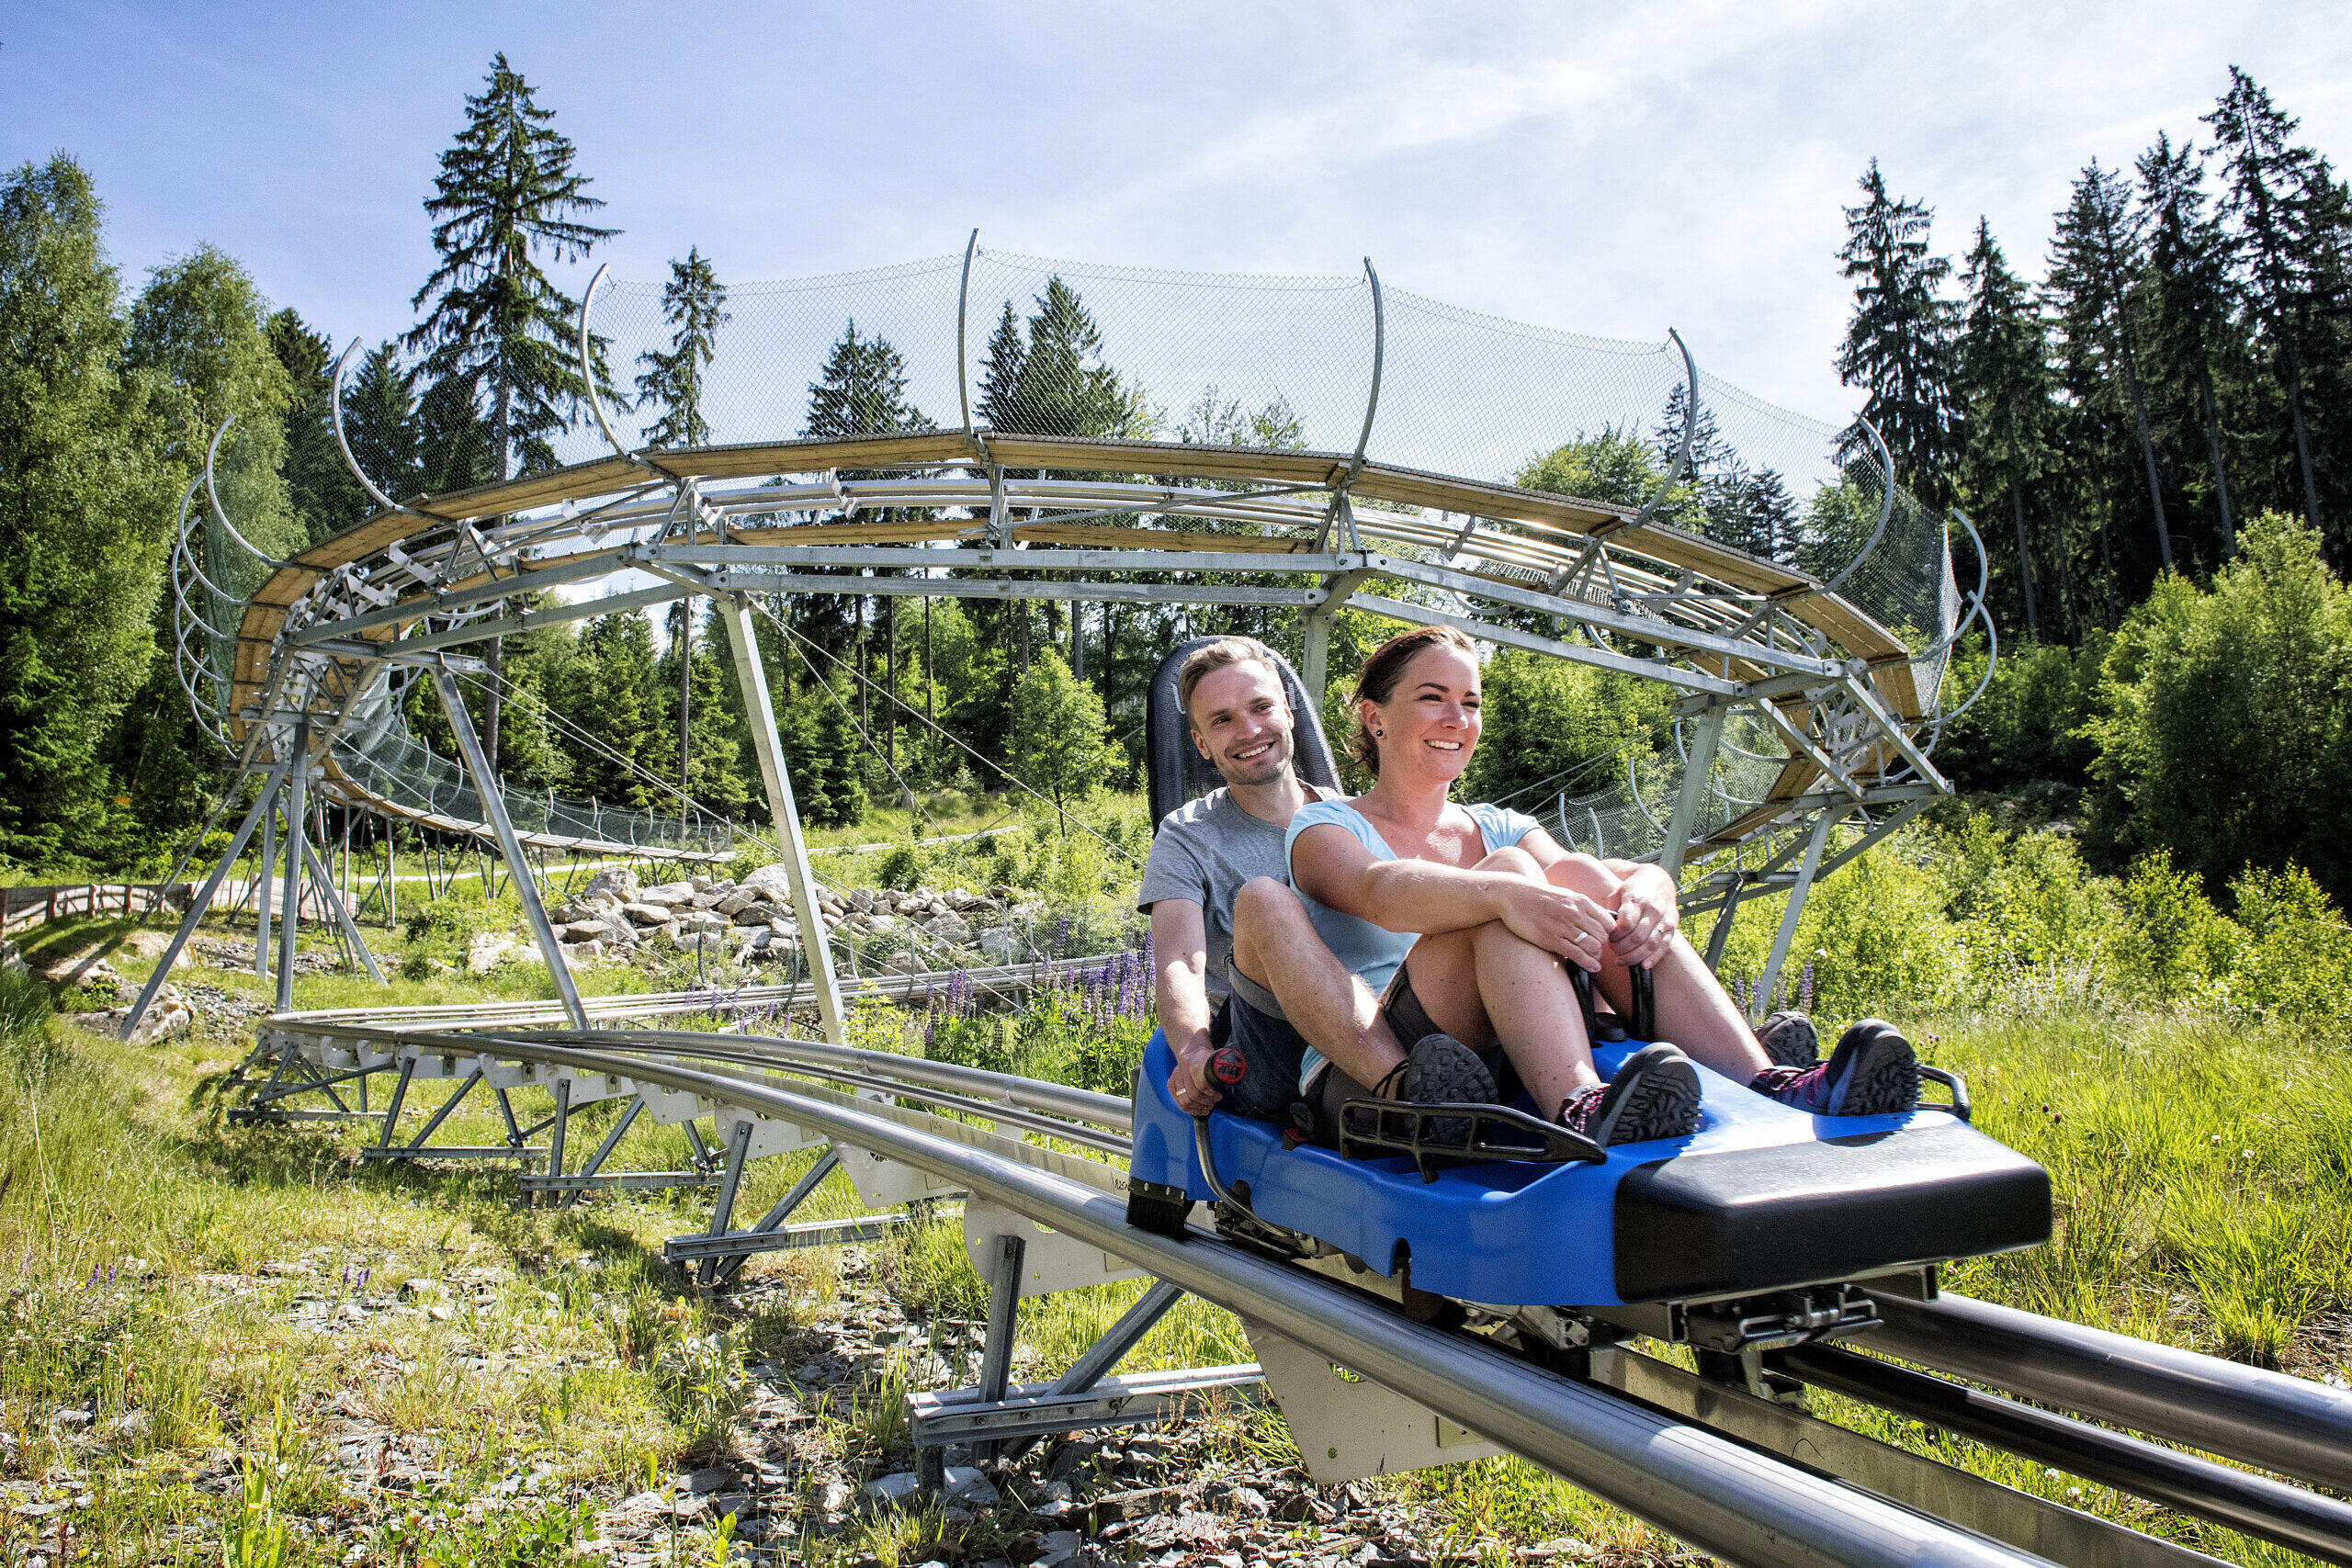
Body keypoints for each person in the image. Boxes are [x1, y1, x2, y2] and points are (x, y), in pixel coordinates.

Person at [1282, 626, 1919, 1146]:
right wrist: (1506, 893)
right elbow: (1379, 891)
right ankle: (1578, 1109)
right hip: (1393, 1060)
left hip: (1509, 1042)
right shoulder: (1324, 825)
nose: (1458, 718)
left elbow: (1590, 879)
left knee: (1577, 874)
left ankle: (1768, 1081)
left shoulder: (1498, 824)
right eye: (1432, 697)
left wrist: (1652, 885)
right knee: (1510, 881)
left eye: (1471, 702)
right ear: (1375, 718)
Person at [1139, 637, 1427, 1125]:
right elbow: (1181, 962)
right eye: (1222, 719)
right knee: (1266, 901)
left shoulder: (1356, 817)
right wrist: (1192, 1048)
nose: (1248, 730)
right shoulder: (1187, 835)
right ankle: (1413, 1095)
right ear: (1202, 744)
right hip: (1273, 1046)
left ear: (1289, 713)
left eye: (1260, 707)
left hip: (1383, 1005)